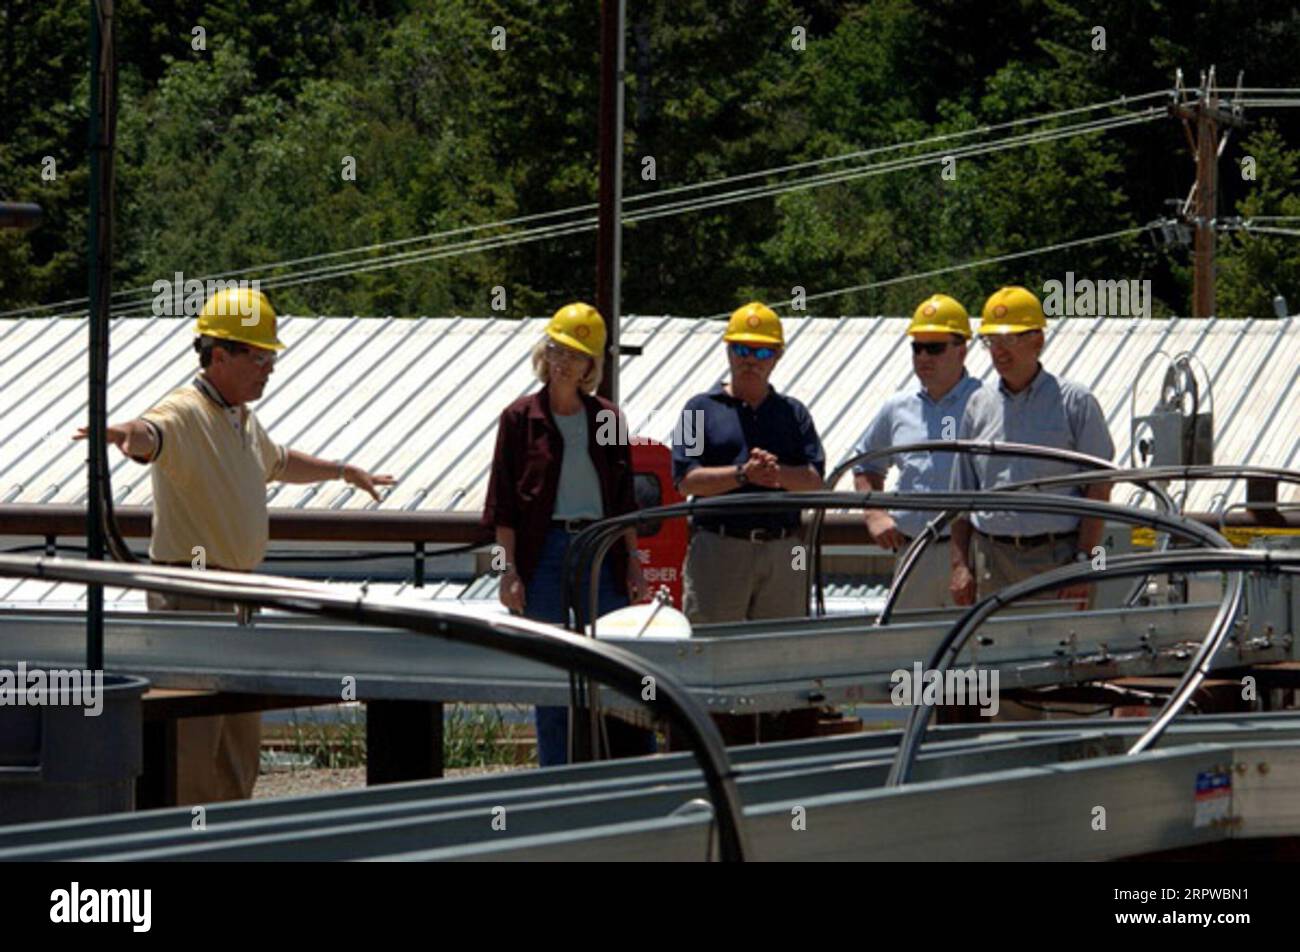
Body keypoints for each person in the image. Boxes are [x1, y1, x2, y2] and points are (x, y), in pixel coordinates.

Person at [76, 286, 395, 804]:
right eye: (260, 356)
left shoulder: (240, 417)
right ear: (219, 355)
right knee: (192, 746)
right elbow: (149, 435)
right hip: (193, 596)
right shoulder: (185, 410)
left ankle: (227, 846)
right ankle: (185, 848)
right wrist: (123, 435)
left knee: (237, 744)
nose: (268, 367)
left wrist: (341, 470)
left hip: (239, 595)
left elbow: (279, 461)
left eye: (270, 357)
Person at [481, 302, 653, 766]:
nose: (563, 360)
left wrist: (635, 564)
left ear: (590, 366)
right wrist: (507, 572)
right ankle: (555, 779)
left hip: (602, 551)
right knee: (552, 676)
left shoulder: (607, 418)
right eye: (557, 348)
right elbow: (502, 506)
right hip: (544, 556)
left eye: (575, 354)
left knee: (615, 667)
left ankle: (619, 776)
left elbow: (624, 501)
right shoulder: (518, 418)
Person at [950, 285, 1115, 607]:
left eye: (1010, 339)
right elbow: (961, 497)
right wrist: (959, 565)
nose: (999, 351)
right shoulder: (976, 405)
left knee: (1064, 654)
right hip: (991, 563)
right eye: (991, 341)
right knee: (994, 656)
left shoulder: (1076, 403)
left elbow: (1100, 490)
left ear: (1038, 340)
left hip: (1060, 562)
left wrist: (1086, 563)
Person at [673, 302, 825, 623]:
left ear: (777, 356)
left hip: (787, 550)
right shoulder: (696, 408)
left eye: (761, 353)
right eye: (742, 349)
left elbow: (815, 481)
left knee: (781, 651)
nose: (750, 361)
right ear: (728, 350)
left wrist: (776, 474)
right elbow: (686, 479)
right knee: (711, 652)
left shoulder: (794, 412)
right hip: (718, 545)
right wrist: (744, 474)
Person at [852, 294, 981, 609]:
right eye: (917, 347)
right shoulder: (898, 407)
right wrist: (875, 514)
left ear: (962, 349)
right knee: (909, 650)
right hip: (913, 553)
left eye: (935, 348)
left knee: (971, 651)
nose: (923, 356)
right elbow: (864, 465)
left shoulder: (986, 402)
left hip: (972, 556)